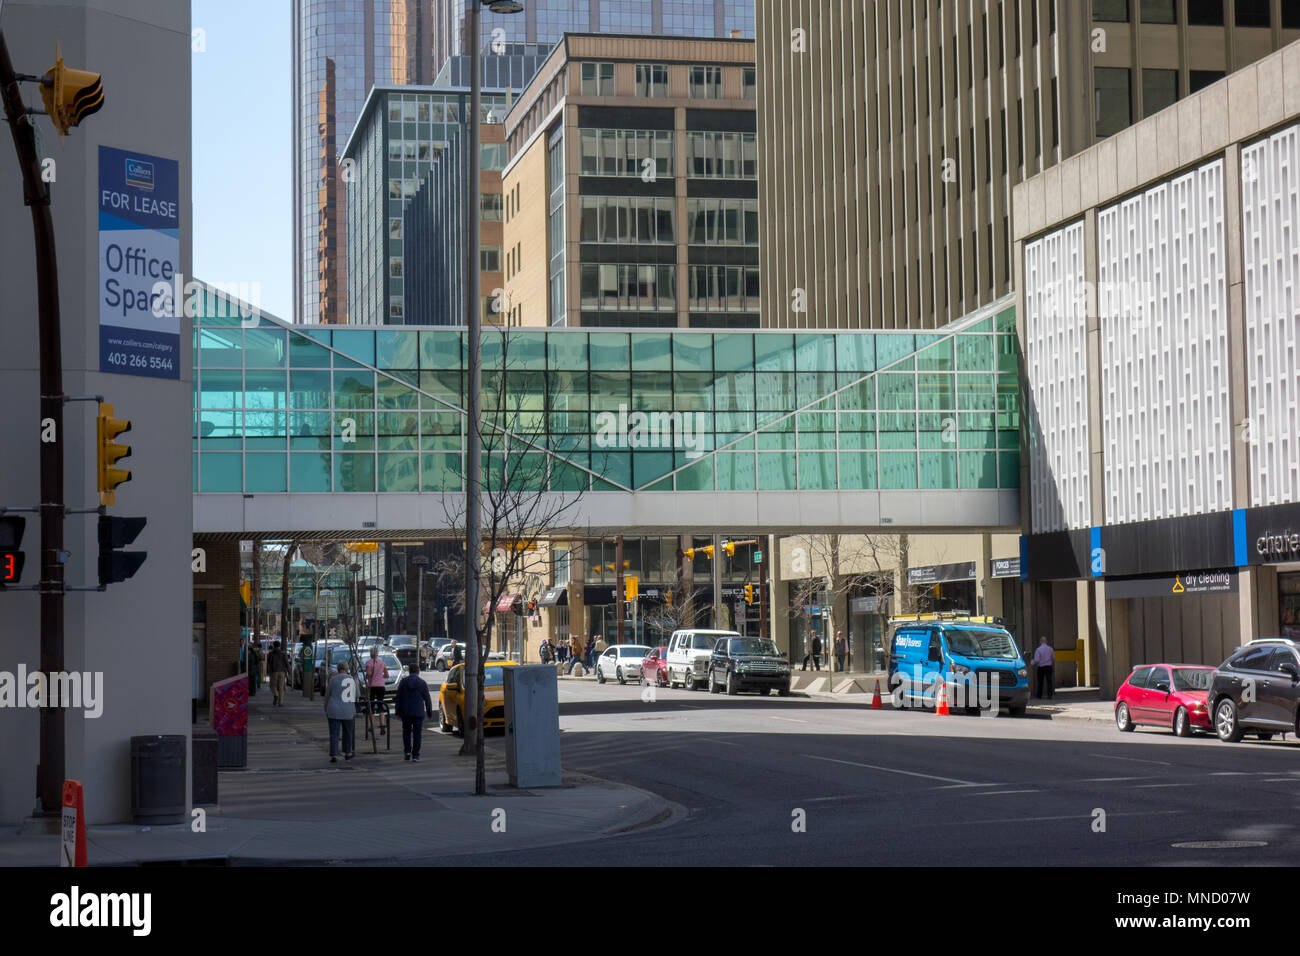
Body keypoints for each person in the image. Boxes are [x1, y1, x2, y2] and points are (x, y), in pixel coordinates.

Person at [394, 663, 434, 761]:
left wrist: (397, 710)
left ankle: (407, 751)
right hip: (418, 711)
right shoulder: (422, 683)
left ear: (409, 671)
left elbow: (398, 697)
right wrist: (429, 712)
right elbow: (427, 699)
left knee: (406, 732)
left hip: (406, 711)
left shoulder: (403, 682)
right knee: (417, 734)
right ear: (418, 671)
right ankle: (415, 755)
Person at [324, 662, 357, 763]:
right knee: (348, 732)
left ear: (338, 669)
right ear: (347, 669)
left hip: (334, 709)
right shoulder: (353, 680)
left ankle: (334, 755)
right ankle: (348, 753)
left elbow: (327, 695)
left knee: (334, 733)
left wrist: (325, 707)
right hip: (348, 710)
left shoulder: (333, 679)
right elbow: (357, 695)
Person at [364, 646, 388, 716]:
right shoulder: (382, 662)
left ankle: (372, 724)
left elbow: (368, 674)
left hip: (372, 686)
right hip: (381, 686)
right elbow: (387, 675)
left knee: (371, 705)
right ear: (377, 654)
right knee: (380, 705)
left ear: (370, 654)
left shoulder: (368, 663)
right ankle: (382, 724)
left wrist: (367, 677)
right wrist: (380, 676)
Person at [267, 641, 290, 706]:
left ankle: (275, 695)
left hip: (274, 672)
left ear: (274, 646)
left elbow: (269, 663)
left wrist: (269, 671)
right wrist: (289, 672)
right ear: (279, 645)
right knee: (281, 687)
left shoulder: (271, 653)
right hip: (282, 672)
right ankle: (280, 702)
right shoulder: (283, 653)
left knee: (272, 685)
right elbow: (287, 663)